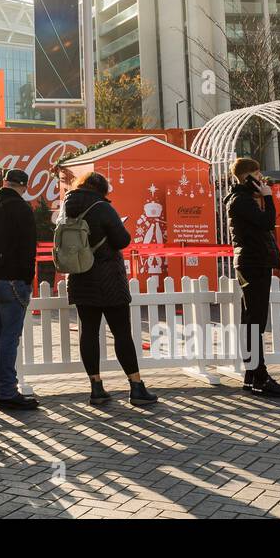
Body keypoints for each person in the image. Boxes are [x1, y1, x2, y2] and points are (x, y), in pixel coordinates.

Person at [62, 172, 157, 407]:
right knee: (122, 332)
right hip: (108, 279)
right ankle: (136, 386)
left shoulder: (67, 207)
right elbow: (122, 240)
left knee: (89, 333)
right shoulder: (102, 207)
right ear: (102, 190)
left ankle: (96, 388)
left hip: (80, 277)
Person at [224, 158, 280, 397]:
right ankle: (259, 376)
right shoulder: (241, 201)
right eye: (257, 173)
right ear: (247, 177)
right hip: (253, 263)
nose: (261, 177)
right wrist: (268, 196)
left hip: (253, 262)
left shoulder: (241, 200)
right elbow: (267, 223)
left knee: (253, 321)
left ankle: (252, 375)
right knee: (255, 322)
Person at [0, 168, 39, 410]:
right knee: (9, 336)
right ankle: (7, 390)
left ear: (4, 182)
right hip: (12, 280)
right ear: (23, 186)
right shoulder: (22, 208)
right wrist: (26, 278)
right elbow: (28, 248)